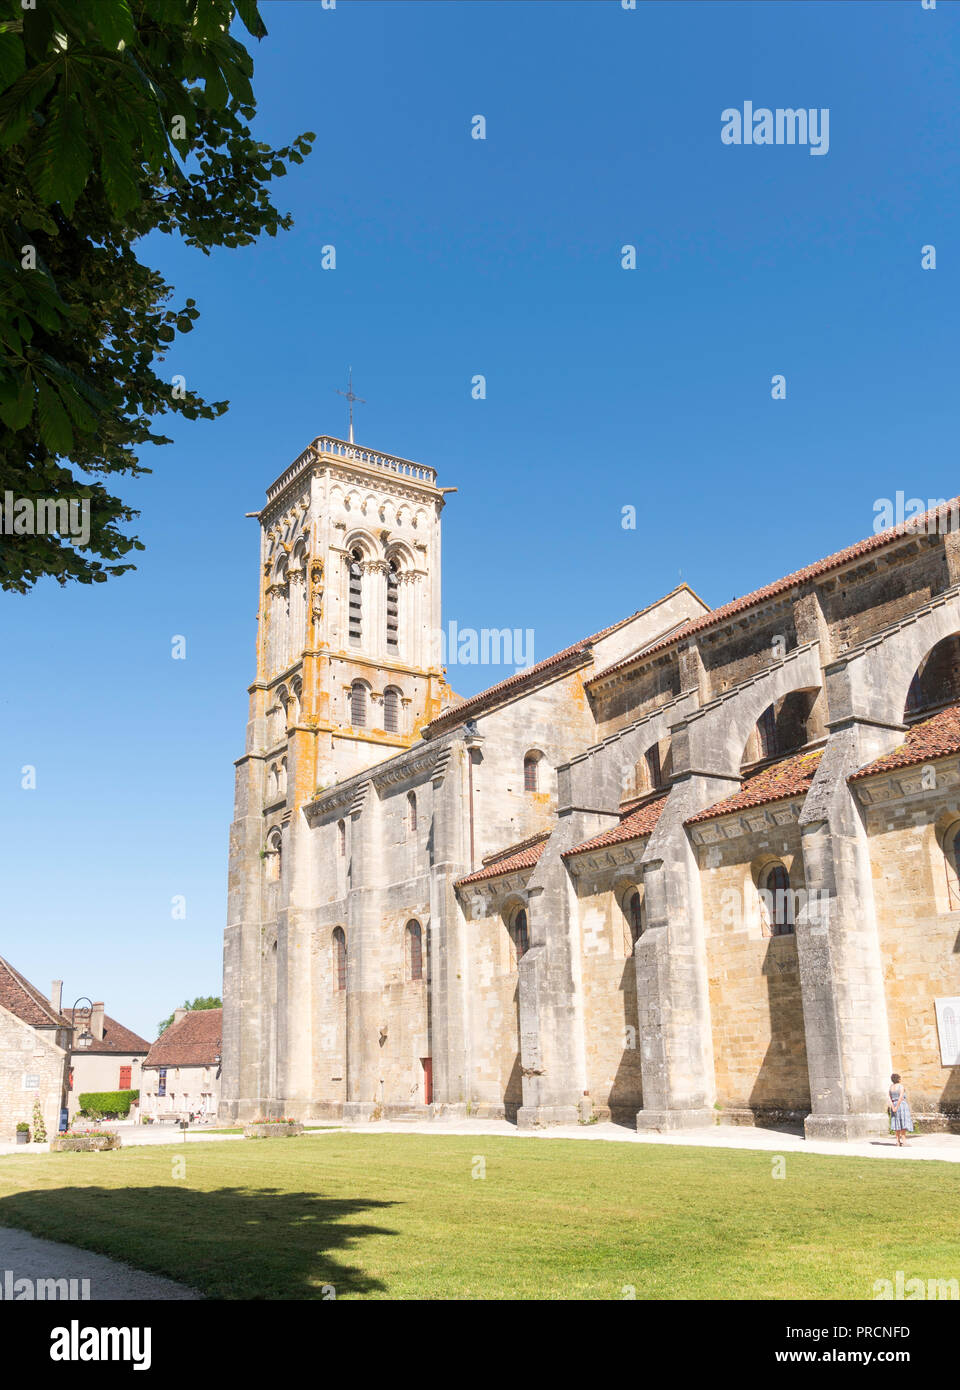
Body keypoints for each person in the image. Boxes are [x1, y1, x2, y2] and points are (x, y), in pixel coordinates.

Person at [888, 1073, 914, 1146]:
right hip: (901, 1105)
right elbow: (900, 1097)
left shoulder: (890, 1087)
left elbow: (889, 1098)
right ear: (898, 1079)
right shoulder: (901, 1086)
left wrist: (893, 1107)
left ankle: (897, 1141)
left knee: (896, 1122)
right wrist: (897, 1107)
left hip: (894, 1104)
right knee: (903, 1122)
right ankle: (904, 1141)